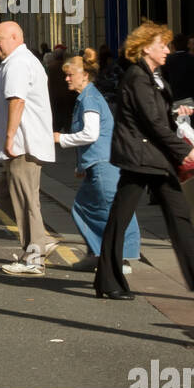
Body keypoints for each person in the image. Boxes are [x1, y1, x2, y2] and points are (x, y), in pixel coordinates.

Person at [94, 22, 194, 302]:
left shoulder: (154, 77)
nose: (167, 50)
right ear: (146, 47)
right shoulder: (137, 77)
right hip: (140, 157)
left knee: (179, 216)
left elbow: (157, 116)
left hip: (153, 156)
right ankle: (108, 282)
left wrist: (174, 111)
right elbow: (153, 124)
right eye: (162, 45)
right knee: (120, 219)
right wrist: (186, 152)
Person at [54, 50, 139, 273]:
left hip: (104, 166)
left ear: (85, 75)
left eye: (70, 74)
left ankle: (116, 258)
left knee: (102, 211)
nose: (66, 79)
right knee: (89, 209)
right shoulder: (88, 96)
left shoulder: (89, 98)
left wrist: (61, 138)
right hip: (102, 164)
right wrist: (81, 165)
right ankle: (100, 254)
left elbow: (90, 134)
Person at [0, 21, 58, 277]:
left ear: (15, 37)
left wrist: (10, 138)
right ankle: (42, 240)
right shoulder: (18, 61)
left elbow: (17, 100)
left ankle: (34, 258)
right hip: (21, 144)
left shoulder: (19, 62)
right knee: (5, 194)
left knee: (25, 200)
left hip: (23, 144)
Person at [165, 37, 194, 112]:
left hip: (174, 100)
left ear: (173, 46)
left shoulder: (167, 60)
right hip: (193, 100)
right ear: (187, 45)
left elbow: (164, 79)